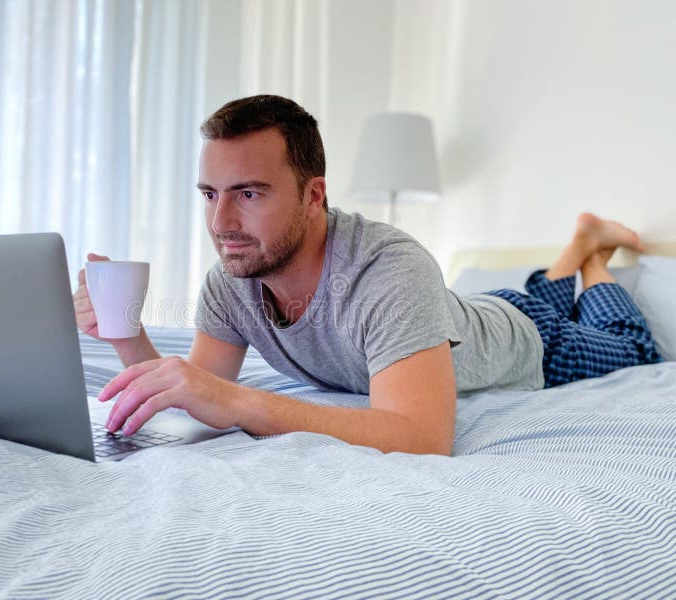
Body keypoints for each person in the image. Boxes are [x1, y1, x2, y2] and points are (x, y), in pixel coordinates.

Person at [72, 95, 661, 456]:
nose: (221, 222)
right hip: (472, 309)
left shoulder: (389, 267)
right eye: (210, 194)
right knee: (537, 299)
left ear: (313, 194)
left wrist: (243, 404)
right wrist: (125, 335)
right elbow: (197, 390)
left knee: (638, 345)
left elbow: (422, 437)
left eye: (248, 193)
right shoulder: (231, 281)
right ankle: (578, 244)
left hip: (530, 342)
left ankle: (594, 259)